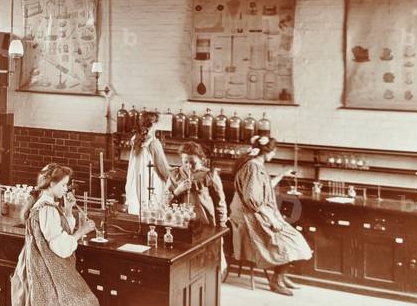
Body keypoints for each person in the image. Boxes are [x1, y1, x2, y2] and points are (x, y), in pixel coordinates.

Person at [11, 163, 116, 306]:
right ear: (52, 184)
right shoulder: (46, 208)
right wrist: (82, 232)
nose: (67, 190)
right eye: (64, 185)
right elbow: (60, 247)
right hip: (46, 275)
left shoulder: (48, 205)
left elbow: (59, 232)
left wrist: (68, 211)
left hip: (50, 269)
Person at [229, 135, 312, 296]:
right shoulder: (253, 167)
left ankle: (281, 274)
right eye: (274, 151)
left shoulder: (254, 164)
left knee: (293, 237)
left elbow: (263, 189)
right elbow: (252, 198)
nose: (274, 155)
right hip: (249, 217)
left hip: (254, 213)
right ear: (267, 151)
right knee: (291, 240)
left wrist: (283, 174)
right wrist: (271, 218)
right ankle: (277, 279)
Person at [167, 141, 228, 276]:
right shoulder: (175, 174)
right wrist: (178, 190)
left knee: (207, 260)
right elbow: (164, 202)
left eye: (192, 162)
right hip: (181, 224)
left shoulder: (210, 175)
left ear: (202, 159)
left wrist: (221, 226)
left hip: (205, 223)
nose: (188, 166)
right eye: (185, 162)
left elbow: (220, 202)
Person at [124, 111, 171, 216]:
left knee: (139, 212)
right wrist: (174, 174)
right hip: (151, 182)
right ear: (154, 125)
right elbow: (163, 169)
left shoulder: (135, 140)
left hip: (137, 182)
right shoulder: (153, 143)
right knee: (152, 211)